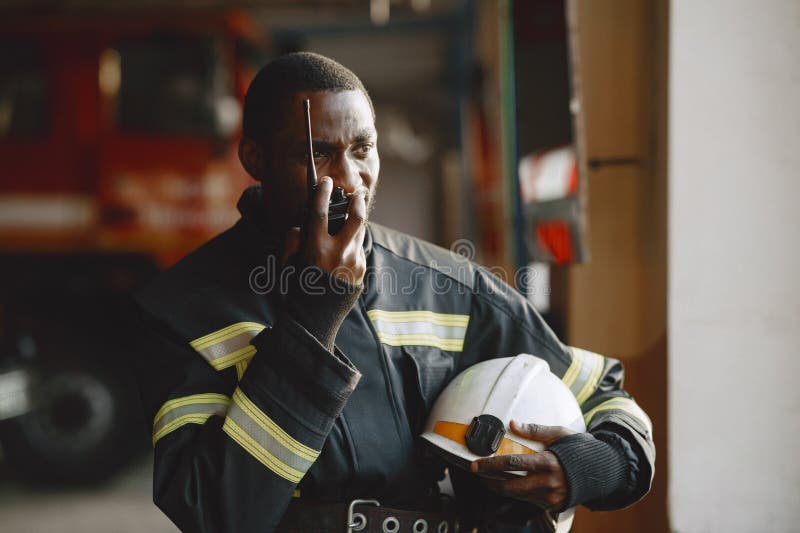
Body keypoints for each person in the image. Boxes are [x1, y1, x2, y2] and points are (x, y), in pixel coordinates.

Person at [133, 52, 655, 532]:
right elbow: (215, 513)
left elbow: (606, 397)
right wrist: (314, 319)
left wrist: (586, 466)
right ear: (255, 159)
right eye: (317, 153)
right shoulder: (185, 308)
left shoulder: (445, 283)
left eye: (362, 149)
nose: (349, 179)